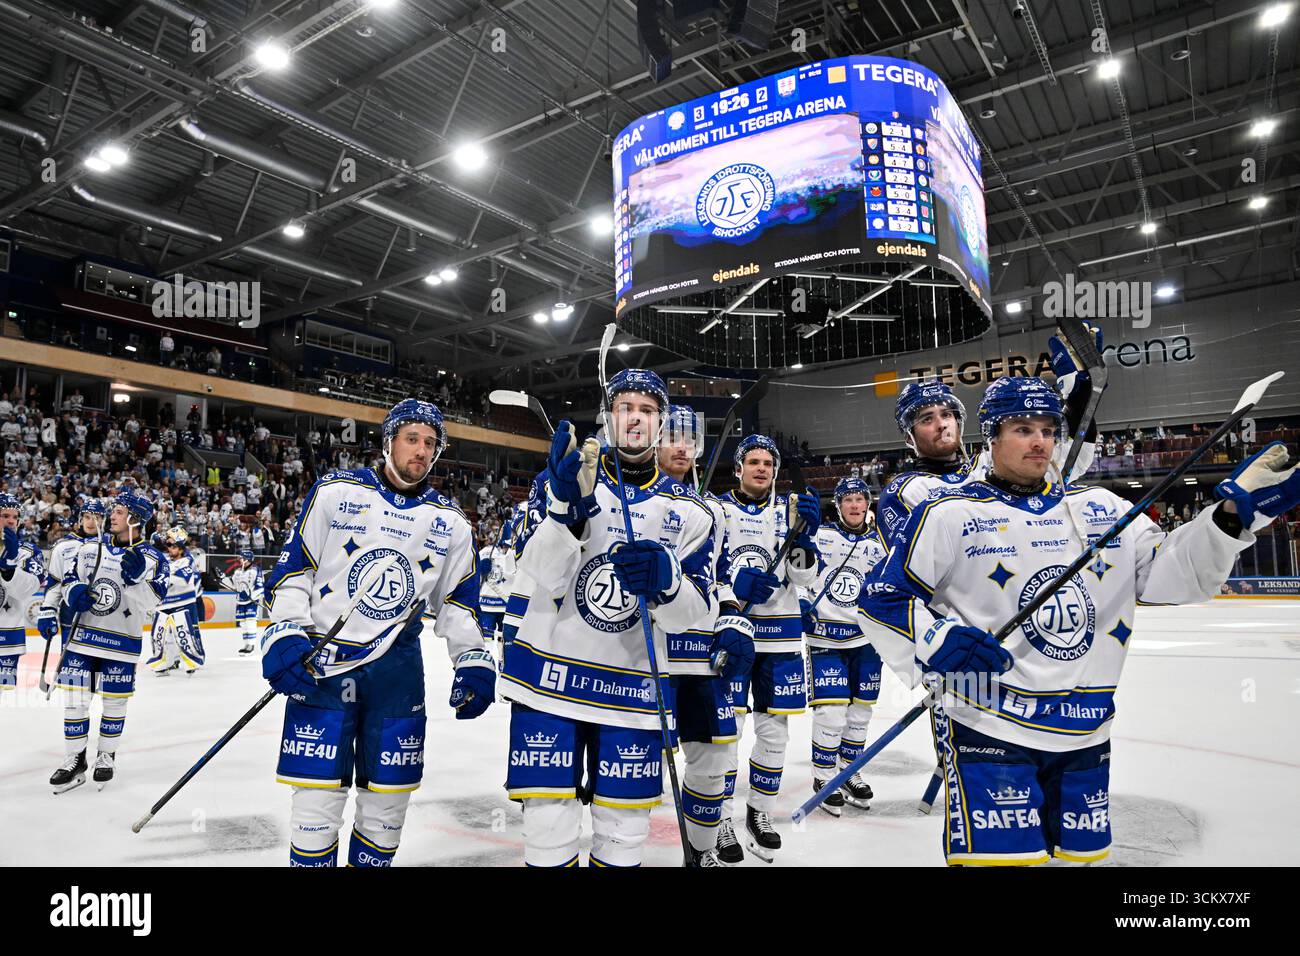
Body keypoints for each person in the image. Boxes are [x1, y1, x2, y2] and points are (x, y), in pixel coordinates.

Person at [860, 376, 1300, 865]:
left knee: (1082, 862)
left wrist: (1230, 520)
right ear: (991, 436)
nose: (1039, 441)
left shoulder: (1102, 508)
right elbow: (880, 598)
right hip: (990, 723)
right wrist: (936, 640)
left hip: (1086, 727)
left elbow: (1171, 575)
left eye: (1049, 428)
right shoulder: (947, 514)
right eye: (1022, 428)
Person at [262, 398, 493, 867]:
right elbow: (294, 571)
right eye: (412, 439)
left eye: (431, 444)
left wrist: (472, 659)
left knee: (388, 801)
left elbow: (457, 604)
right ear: (388, 442)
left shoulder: (450, 522)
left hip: (396, 673)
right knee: (315, 801)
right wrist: (285, 633)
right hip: (321, 666)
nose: (422, 451)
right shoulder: (334, 492)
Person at [502, 370, 715, 867]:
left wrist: (669, 584)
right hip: (548, 681)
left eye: (647, 408)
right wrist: (564, 513)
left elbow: (694, 617)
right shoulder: (562, 479)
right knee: (547, 827)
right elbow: (539, 572)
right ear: (609, 417)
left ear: (661, 423)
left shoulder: (693, 511)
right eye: (625, 407)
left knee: (624, 834)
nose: (635, 417)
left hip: (633, 691)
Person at [713, 433, 821, 861]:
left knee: (774, 734)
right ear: (739, 468)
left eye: (768, 463)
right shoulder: (717, 510)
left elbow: (804, 580)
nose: (762, 468)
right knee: (727, 734)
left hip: (780, 637)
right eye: (753, 461)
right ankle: (718, 818)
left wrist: (805, 540)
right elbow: (703, 568)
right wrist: (732, 586)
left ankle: (759, 813)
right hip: (733, 633)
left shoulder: (790, 511)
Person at [658, 405, 751, 866]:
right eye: (670, 436)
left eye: (688, 438)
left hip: (699, 654)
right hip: (645, 656)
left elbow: (722, 575)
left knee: (715, 759)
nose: (681, 446)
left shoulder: (712, 509)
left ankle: (700, 849)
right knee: (636, 764)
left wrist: (733, 616)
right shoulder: (623, 501)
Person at [48, 488, 166, 793]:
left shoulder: (154, 559)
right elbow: (71, 579)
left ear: (135, 518)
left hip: (122, 644)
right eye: (112, 510)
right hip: (82, 638)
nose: (110, 515)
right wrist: (73, 592)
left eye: (117, 511)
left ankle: (106, 755)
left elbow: (153, 603)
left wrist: (137, 580)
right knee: (75, 700)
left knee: (114, 703)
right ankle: (74, 759)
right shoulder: (88, 549)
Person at [802, 477, 888, 815]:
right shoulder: (820, 537)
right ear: (837, 505)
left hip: (866, 638)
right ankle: (823, 776)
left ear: (868, 505)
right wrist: (801, 603)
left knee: (860, 713)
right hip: (826, 636)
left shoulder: (880, 545)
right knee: (832, 712)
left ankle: (850, 771)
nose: (855, 505)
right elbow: (800, 575)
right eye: (848, 499)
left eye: (860, 499)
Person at [145, 527, 206, 676]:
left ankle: (191, 661)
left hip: (183, 603)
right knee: (162, 636)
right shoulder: (166, 559)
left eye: (172, 545)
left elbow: (180, 579)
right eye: (168, 544)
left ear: (181, 548)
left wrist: (162, 577)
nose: (169, 548)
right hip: (165, 604)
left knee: (186, 633)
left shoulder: (188, 560)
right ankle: (164, 662)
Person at [0, 493, 45, 691]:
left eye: (15, 517)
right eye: (4, 515)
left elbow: (28, 590)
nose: (11, 521)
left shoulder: (28, 551)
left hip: (8, 638)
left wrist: (10, 567)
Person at [477, 518, 515, 644]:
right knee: (485, 641)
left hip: (506, 607)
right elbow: (473, 572)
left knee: (503, 642)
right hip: (487, 605)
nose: (505, 548)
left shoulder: (515, 555)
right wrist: (480, 568)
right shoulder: (486, 552)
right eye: (504, 545)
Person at [230, 549, 263, 655]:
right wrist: (223, 578)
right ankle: (246, 644)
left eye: (242, 558)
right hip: (240, 601)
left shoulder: (256, 570)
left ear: (247, 559)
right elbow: (234, 586)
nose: (240, 560)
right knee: (243, 623)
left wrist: (250, 596)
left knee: (250, 622)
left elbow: (260, 587)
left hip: (251, 601)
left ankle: (251, 645)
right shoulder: (238, 572)